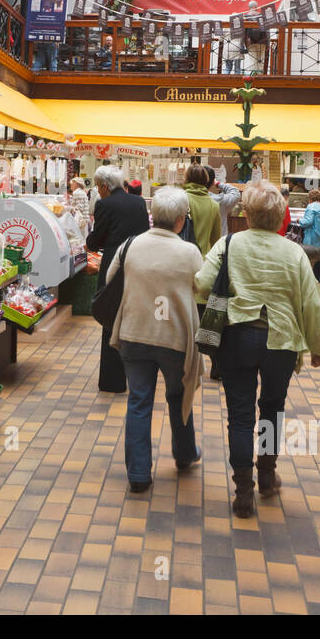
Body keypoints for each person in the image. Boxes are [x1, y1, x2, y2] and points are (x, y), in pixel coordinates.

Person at [196, 182, 320, 518]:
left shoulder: (228, 243)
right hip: (281, 342)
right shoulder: (293, 252)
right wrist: (319, 347)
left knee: (241, 416)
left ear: (246, 214)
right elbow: (310, 302)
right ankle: (266, 474)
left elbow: (202, 284)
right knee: (272, 409)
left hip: (237, 339)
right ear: (280, 218)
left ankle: (242, 490)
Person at [107, 187, 204, 493]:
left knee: (139, 400)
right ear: (180, 220)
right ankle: (184, 453)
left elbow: (111, 279)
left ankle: (138, 472)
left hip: (134, 333)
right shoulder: (189, 252)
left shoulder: (131, 245)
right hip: (174, 338)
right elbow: (201, 290)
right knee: (178, 395)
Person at [87, 165, 151, 394]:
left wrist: (90, 241)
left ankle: (112, 381)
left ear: (104, 186)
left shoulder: (104, 204)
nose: (98, 191)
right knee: (132, 317)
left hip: (114, 266)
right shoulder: (138, 202)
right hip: (138, 264)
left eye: (97, 187)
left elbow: (96, 241)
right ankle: (135, 373)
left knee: (110, 318)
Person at [181, 164, 222, 256]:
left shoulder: (180, 199)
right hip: (202, 260)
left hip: (181, 257)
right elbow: (215, 240)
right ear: (206, 180)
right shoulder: (214, 205)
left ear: (186, 179)